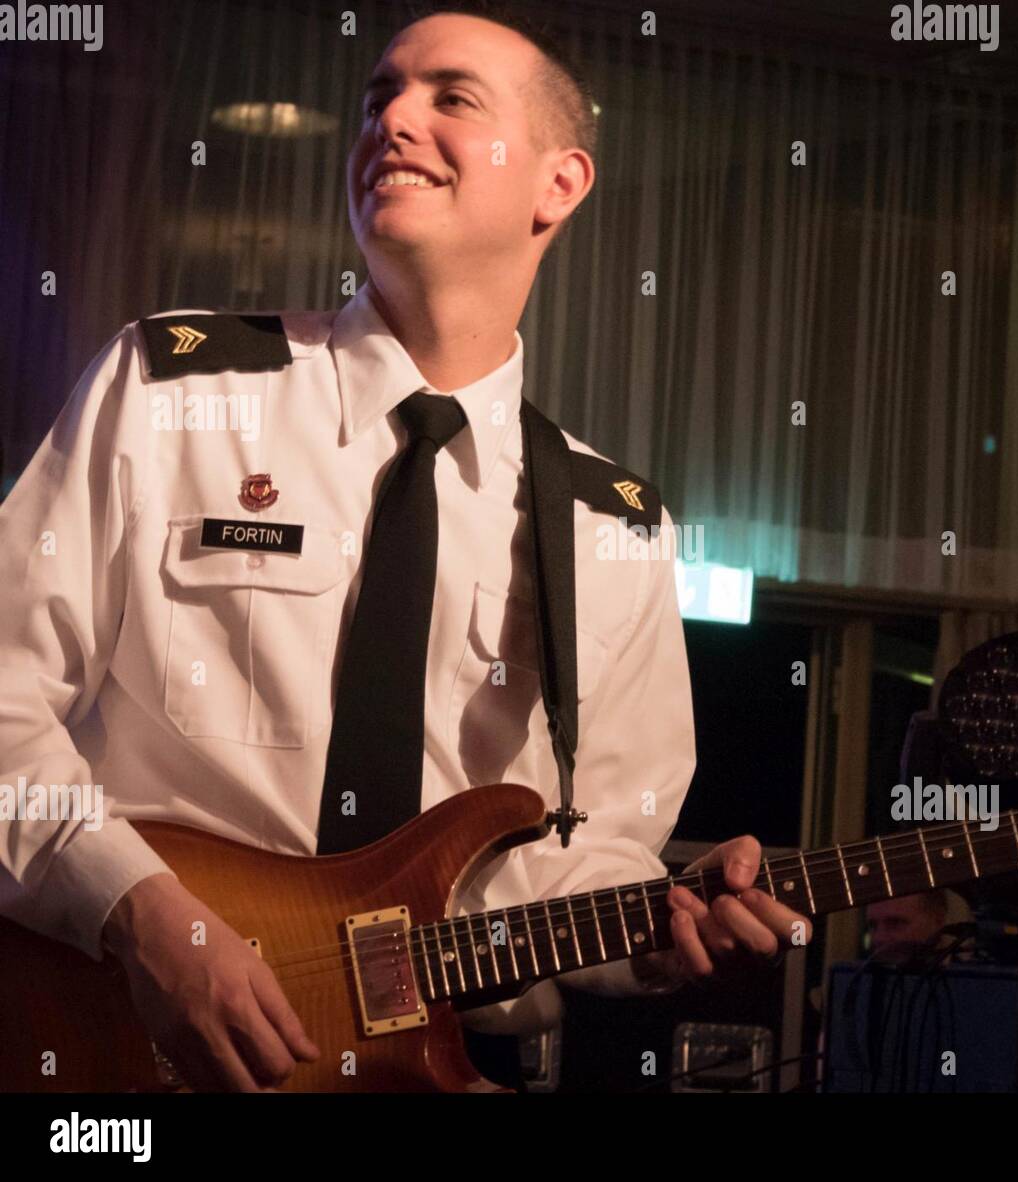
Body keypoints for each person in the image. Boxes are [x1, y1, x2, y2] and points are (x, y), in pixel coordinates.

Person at [0, 4, 812, 1092]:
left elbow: (596, 856)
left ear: (558, 185)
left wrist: (654, 934)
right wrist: (144, 919)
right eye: (381, 96)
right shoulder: (168, 389)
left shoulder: (611, 524)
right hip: (112, 1044)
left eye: (450, 98)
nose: (393, 121)